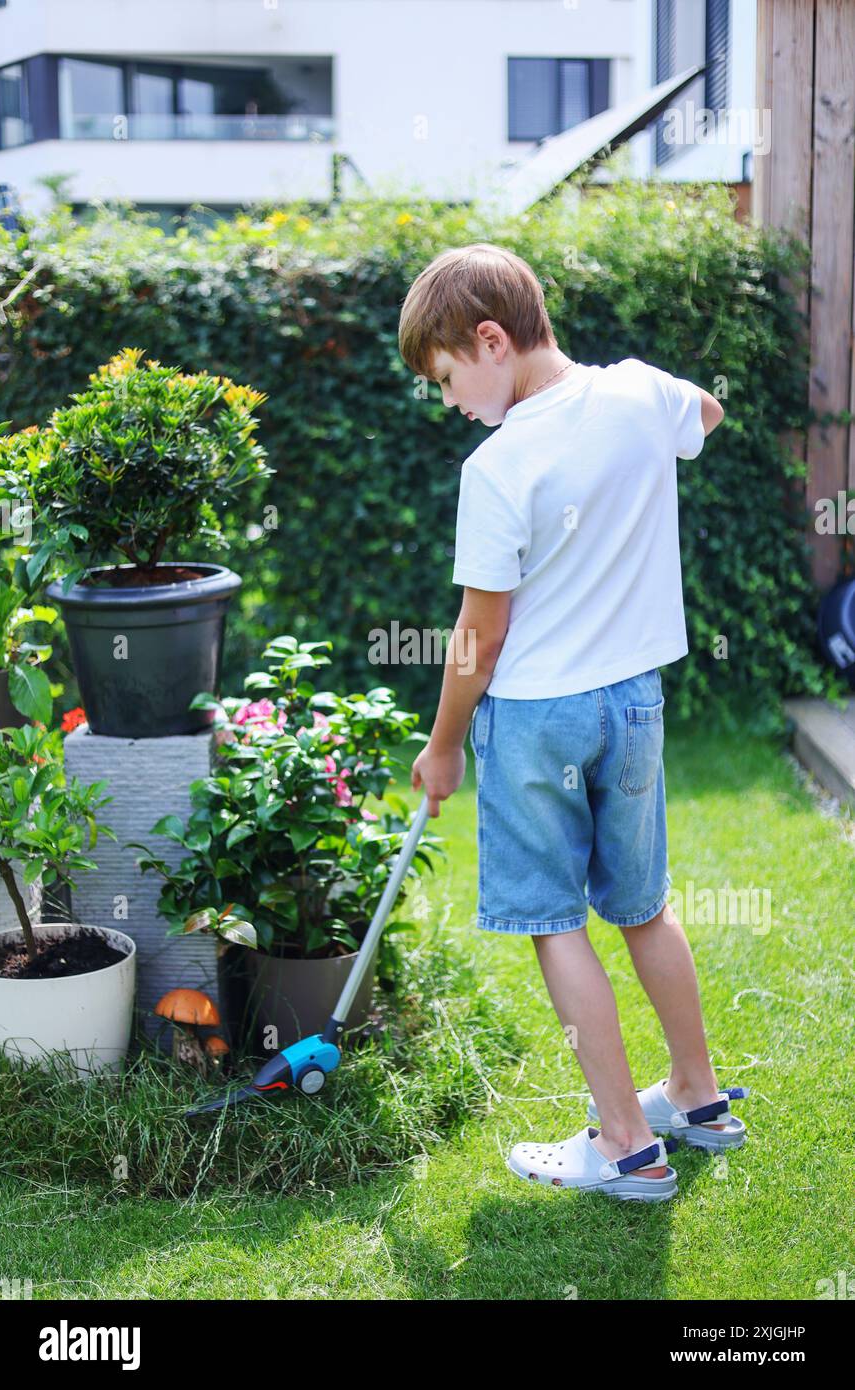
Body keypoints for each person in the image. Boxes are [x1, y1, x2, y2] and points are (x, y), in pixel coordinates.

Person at [397, 242, 749, 1202]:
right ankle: (697, 1095)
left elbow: (481, 631)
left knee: (556, 923)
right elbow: (706, 414)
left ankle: (627, 1144)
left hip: (539, 717)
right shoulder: (639, 394)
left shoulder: (499, 463)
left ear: (491, 338)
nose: (453, 403)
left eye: (449, 379)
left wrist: (441, 747)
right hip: (633, 702)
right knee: (643, 906)